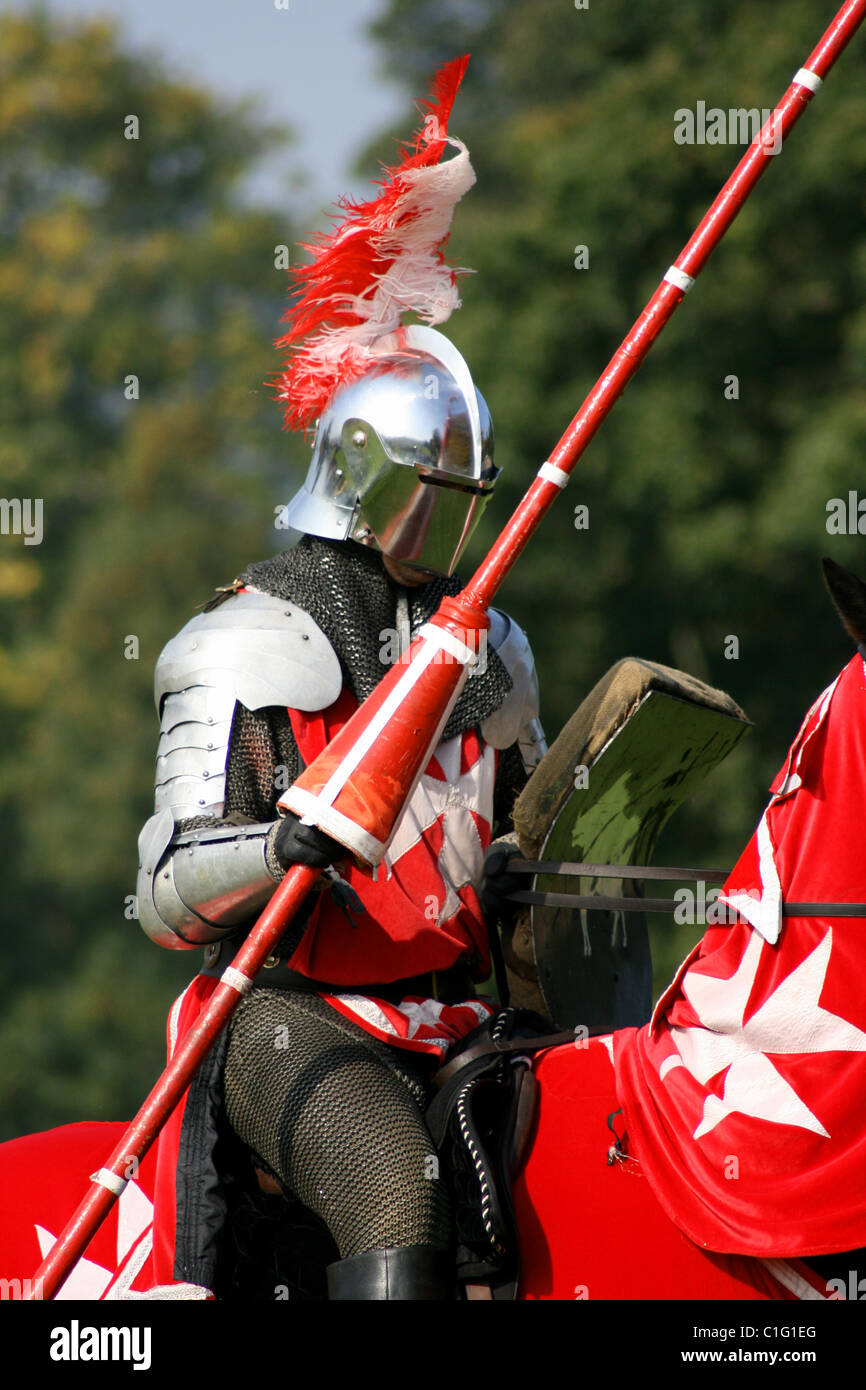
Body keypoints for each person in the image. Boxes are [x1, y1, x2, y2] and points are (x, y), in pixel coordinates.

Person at [135, 58, 546, 1299]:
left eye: (466, 502)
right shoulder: (246, 641)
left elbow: (519, 841)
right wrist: (281, 849)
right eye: (433, 494)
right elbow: (162, 887)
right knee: (391, 1184)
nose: (449, 524)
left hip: (467, 1020)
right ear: (361, 471)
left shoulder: (494, 649)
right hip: (289, 1013)